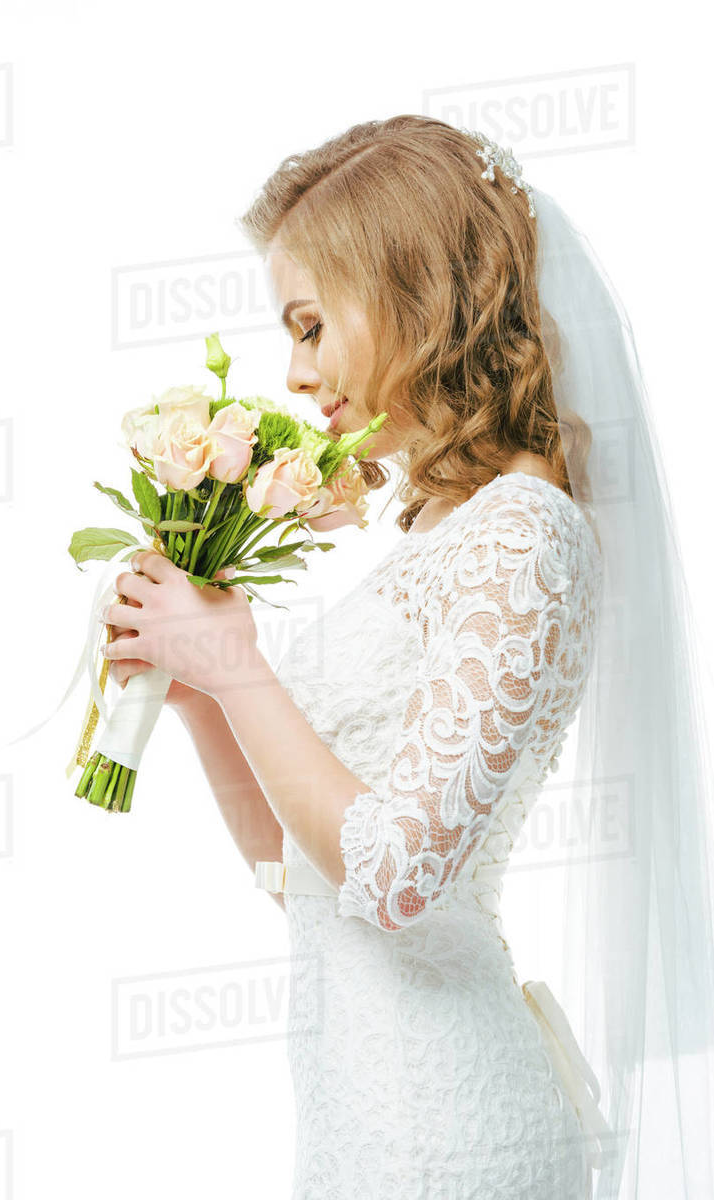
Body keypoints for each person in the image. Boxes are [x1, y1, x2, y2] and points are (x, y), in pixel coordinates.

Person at [106, 117, 714, 1198]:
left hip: (447, 1140)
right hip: (365, 1122)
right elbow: (308, 880)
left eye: (309, 325)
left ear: (410, 295)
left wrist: (241, 664)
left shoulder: (527, 536)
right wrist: (201, 689)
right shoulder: (453, 529)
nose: (292, 373)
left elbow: (395, 879)